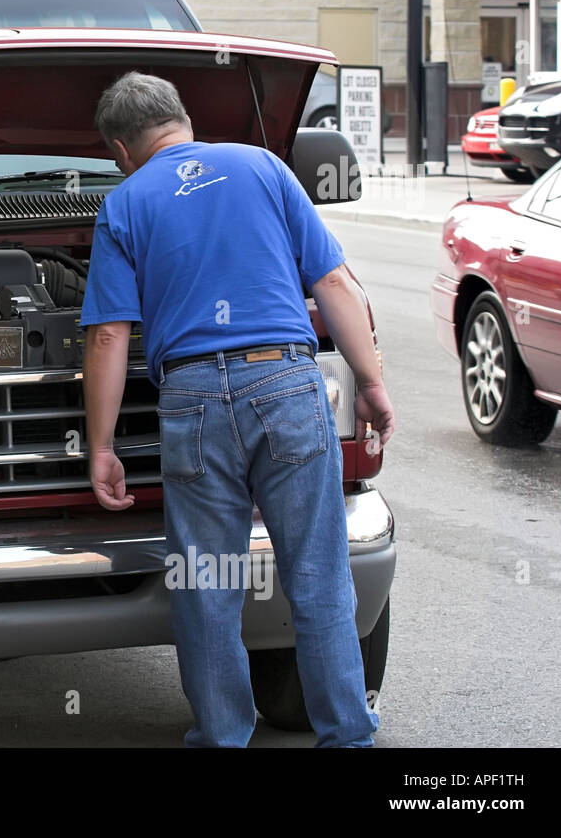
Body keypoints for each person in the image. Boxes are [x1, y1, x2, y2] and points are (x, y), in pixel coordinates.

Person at [79, 71, 395, 748]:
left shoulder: (126, 202)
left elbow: (109, 334)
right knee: (317, 575)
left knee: (206, 584)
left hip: (192, 403)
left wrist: (101, 445)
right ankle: (347, 735)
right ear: (183, 118)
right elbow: (334, 281)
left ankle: (224, 736)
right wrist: (369, 382)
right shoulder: (263, 167)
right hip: (283, 382)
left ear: (121, 151)